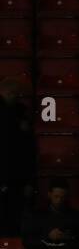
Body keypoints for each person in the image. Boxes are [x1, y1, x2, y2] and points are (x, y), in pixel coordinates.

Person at [21, 179, 79, 249]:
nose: (59, 200)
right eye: (56, 196)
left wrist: (68, 237)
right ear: (49, 194)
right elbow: (28, 240)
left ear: (66, 197)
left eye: (62, 197)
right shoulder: (38, 215)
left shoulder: (74, 215)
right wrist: (47, 236)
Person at [0, 78, 35, 236]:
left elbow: (28, 151)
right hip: (12, 174)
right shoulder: (18, 115)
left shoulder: (21, 113)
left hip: (15, 176)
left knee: (14, 218)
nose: (16, 96)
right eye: (13, 93)